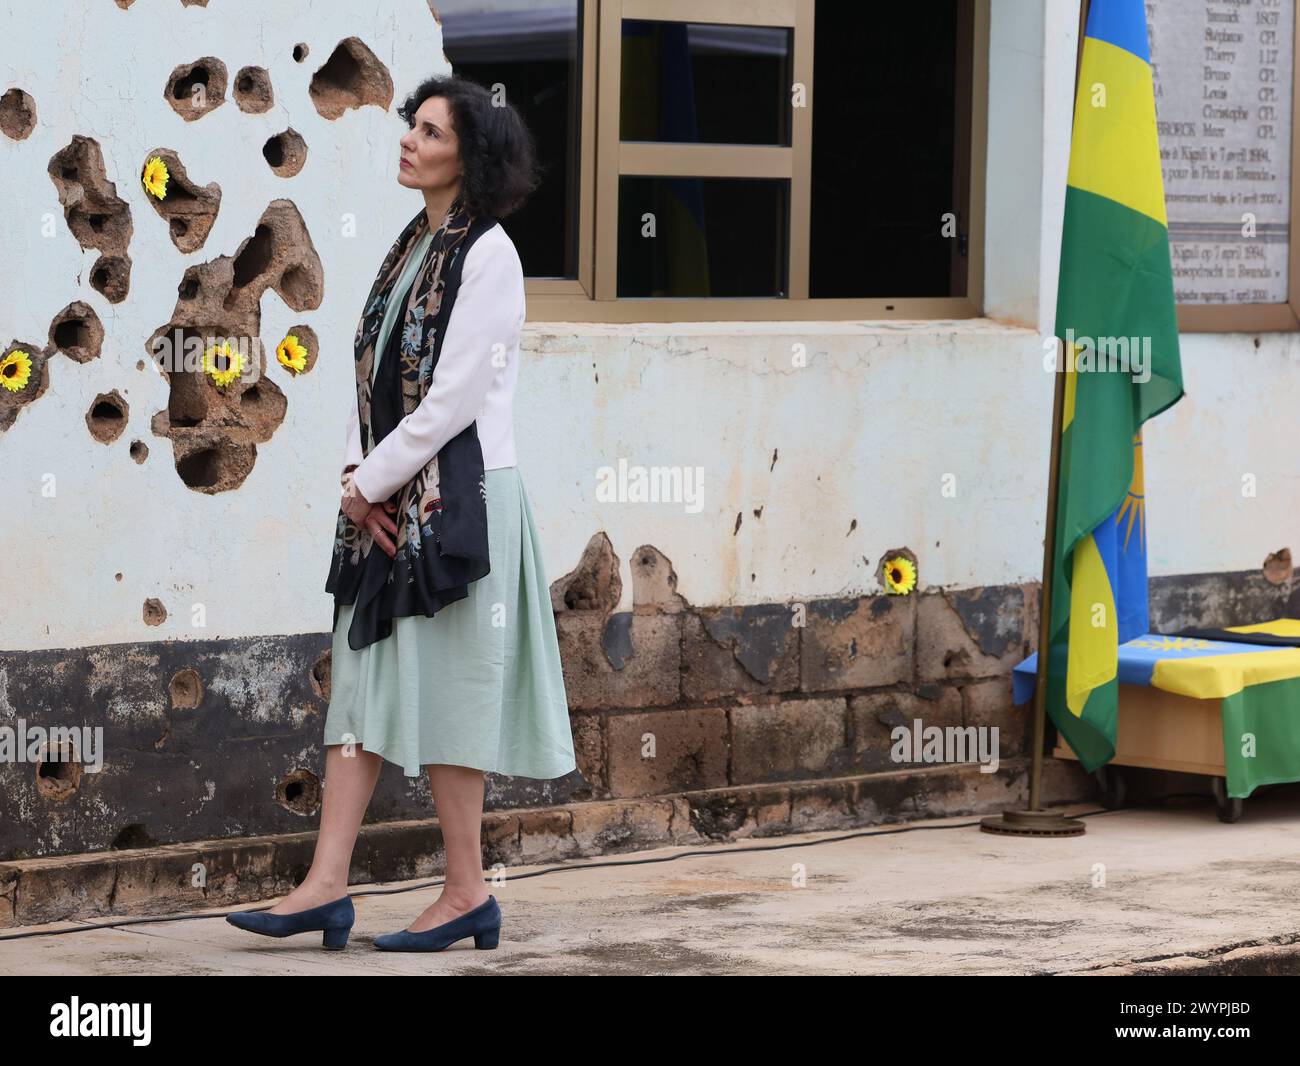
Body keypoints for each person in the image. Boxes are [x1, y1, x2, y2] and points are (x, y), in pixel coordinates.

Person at [227, 74, 576, 953]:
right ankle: (326, 886)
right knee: (362, 679)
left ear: (472, 155)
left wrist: (370, 482)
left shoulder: (488, 254)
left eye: (429, 131)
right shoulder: (409, 249)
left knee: (454, 698)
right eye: (410, 126)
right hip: (390, 489)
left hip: (461, 501)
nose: (409, 140)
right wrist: (359, 477)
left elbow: (452, 397)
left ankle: (467, 894)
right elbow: (368, 373)